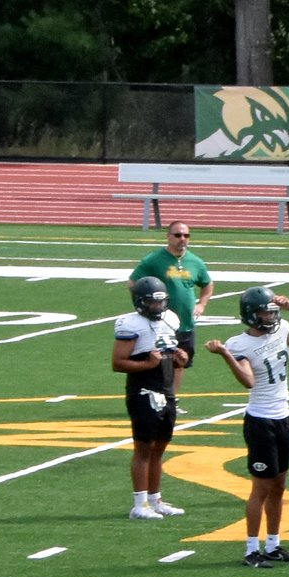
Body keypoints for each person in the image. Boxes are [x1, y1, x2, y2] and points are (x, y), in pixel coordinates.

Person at [217, 285, 289, 565]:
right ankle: (251, 549)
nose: (271, 317)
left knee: (279, 485)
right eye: (266, 312)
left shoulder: (282, 328)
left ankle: (273, 544)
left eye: (273, 312)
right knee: (261, 488)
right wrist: (226, 354)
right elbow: (248, 381)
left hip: (283, 417)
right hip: (260, 420)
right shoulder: (240, 344)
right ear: (251, 314)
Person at [112, 276, 189, 521]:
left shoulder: (171, 319)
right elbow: (118, 362)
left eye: (160, 302)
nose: (158, 306)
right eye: (152, 302)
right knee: (144, 449)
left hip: (166, 390)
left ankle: (156, 500)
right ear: (140, 302)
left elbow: (170, 353)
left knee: (159, 448)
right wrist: (147, 364)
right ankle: (139, 504)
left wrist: (179, 358)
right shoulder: (130, 324)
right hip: (143, 391)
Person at [129, 223, 214, 362]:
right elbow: (133, 282)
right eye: (178, 235)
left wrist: (201, 305)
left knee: (181, 363)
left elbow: (207, 284)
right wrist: (146, 306)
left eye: (186, 235)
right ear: (168, 236)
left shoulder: (196, 262)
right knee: (159, 363)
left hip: (186, 324)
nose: (182, 239)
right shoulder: (154, 260)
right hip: (160, 324)